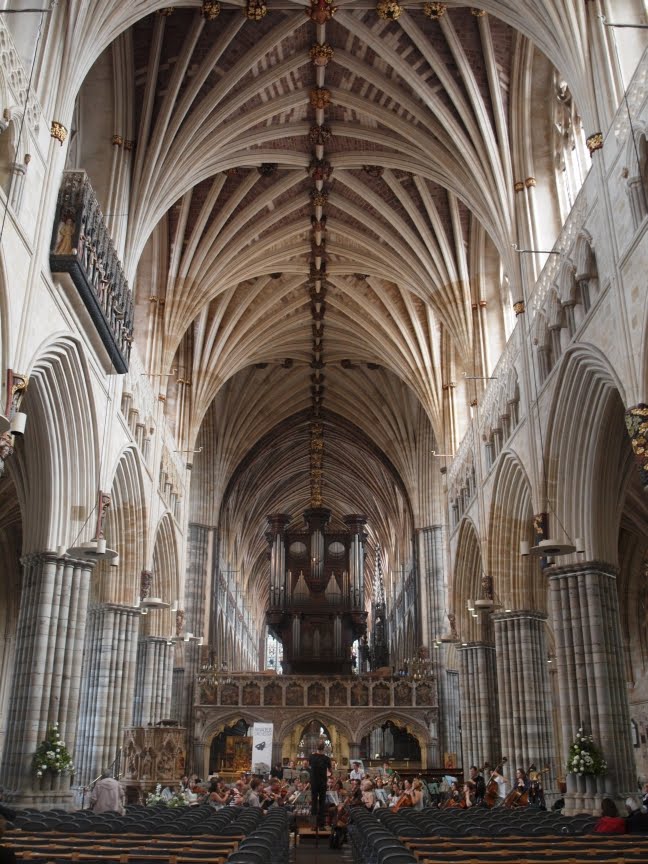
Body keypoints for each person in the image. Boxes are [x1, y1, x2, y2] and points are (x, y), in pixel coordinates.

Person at [309, 741, 332, 827]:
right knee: (322, 803)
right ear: (324, 748)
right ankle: (321, 825)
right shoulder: (327, 759)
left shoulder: (311, 757)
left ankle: (313, 825)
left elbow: (310, 765)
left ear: (316, 747)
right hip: (322, 783)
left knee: (314, 802)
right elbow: (330, 771)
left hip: (314, 782)